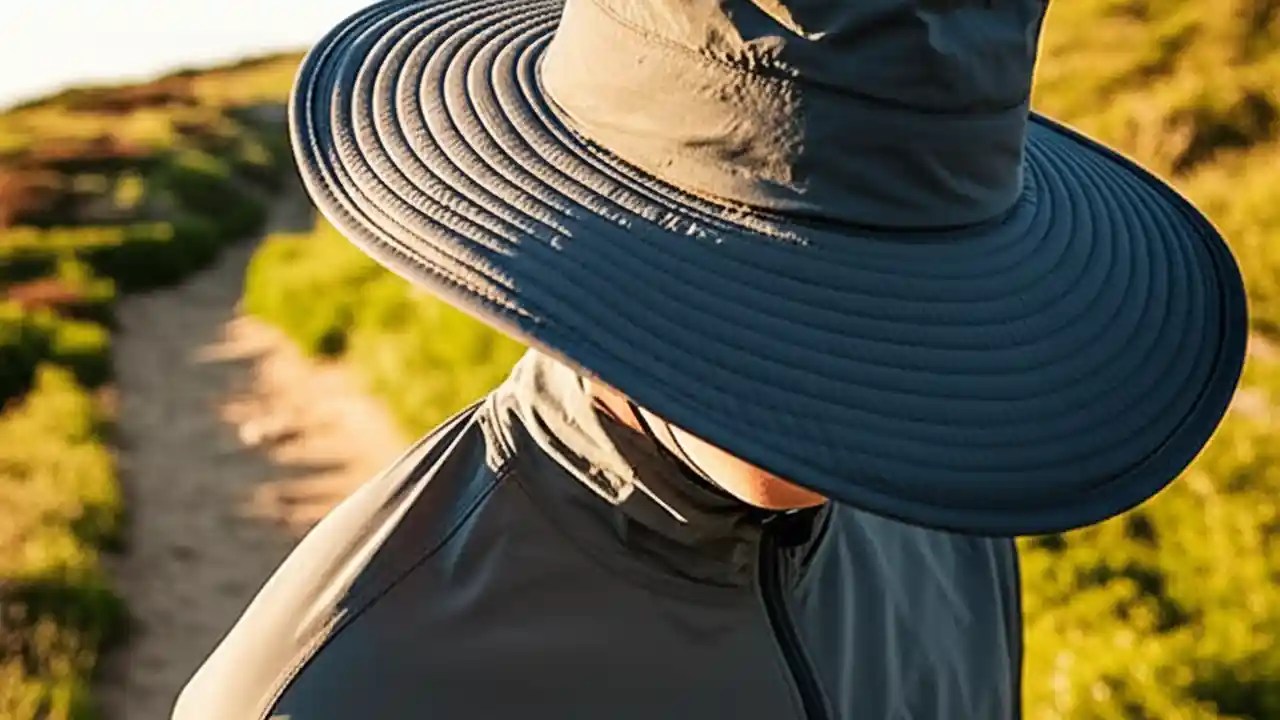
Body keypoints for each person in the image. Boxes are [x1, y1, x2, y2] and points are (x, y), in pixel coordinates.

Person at [174, 0, 1247, 717]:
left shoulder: (948, 530)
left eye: (901, 300)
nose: (840, 369)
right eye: (782, 267)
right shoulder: (342, 692)